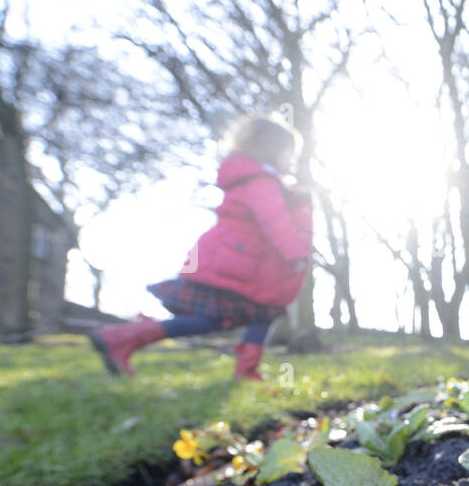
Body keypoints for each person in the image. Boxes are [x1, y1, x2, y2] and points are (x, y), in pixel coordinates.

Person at [89, 116, 313, 380]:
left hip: (242, 259)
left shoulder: (259, 180)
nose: (291, 161)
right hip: (237, 260)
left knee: (263, 312)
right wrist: (295, 253)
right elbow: (275, 221)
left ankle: (247, 368)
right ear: (273, 150)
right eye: (289, 154)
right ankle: (121, 337)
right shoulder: (260, 182)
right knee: (215, 319)